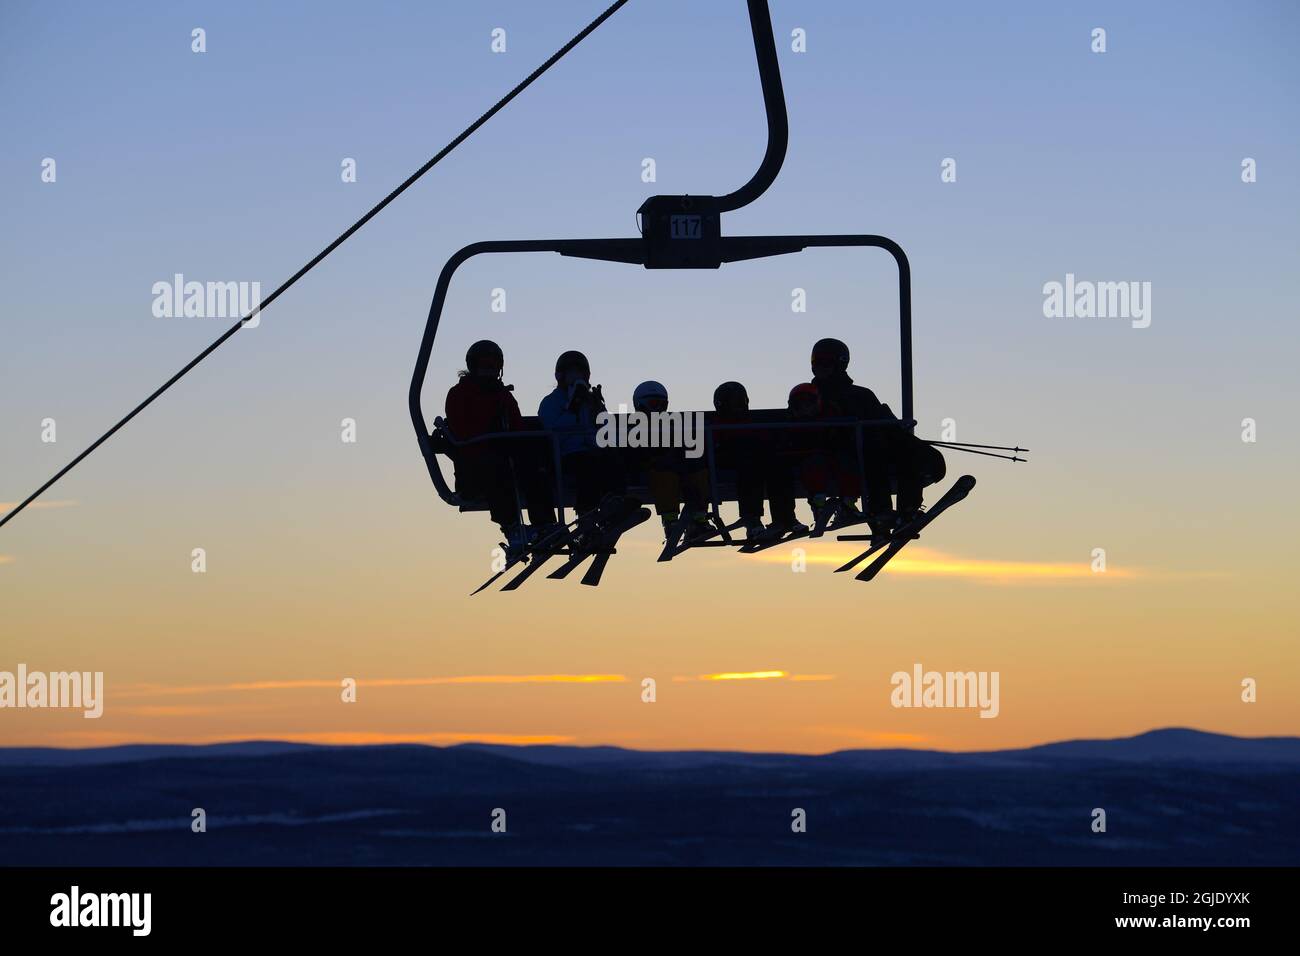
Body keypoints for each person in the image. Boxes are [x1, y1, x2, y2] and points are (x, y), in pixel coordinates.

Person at [809, 337, 945, 532]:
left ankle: (907, 510)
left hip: (874, 445)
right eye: (817, 363)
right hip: (845, 451)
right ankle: (881, 512)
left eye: (826, 362)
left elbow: (885, 422)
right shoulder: (810, 396)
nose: (821, 368)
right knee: (875, 453)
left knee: (906, 453)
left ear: (840, 363)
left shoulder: (861, 394)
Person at [444, 340, 557, 552]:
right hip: (474, 466)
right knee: (495, 467)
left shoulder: (503, 396)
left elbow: (517, 427)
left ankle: (544, 524)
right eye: (484, 366)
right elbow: (462, 431)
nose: (489, 372)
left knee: (533, 464)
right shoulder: (460, 394)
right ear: (474, 367)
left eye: (493, 367)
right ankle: (512, 527)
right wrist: (492, 431)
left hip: (503, 455)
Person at [537, 350, 627, 514]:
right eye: (573, 373)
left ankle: (616, 503)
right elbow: (552, 428)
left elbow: (607, 428)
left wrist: (597, 408)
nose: (578, 377)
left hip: (592, 450)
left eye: (581, 373)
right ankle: (586, 513)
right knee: (588, 466)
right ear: (561, 376)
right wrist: (573, 407)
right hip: (565, 455)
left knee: (613, 458)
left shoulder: (591, 401)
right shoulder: (551, 401)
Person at [711, 381, 801, 541]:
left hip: (756, 460)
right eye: (733, 403)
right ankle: (752, 519)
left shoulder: (752, 422)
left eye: (741, 402)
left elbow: (764, 440)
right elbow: (717, 446)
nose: (738, 407)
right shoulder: (717, 424)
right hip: (730, 462)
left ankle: (785, 517)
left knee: (779, 467)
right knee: (750, 470)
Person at [627, 380, 711, 538]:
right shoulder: (633, 427)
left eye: (662, 404)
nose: (659, 408)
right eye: (653, 403)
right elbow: (636, 455)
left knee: (697, 468)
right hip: (655, 470)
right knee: (665, 473)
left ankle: (698, 517)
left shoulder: (673, 425)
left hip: (678, 468)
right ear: (640, 405)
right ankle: (670, 521)